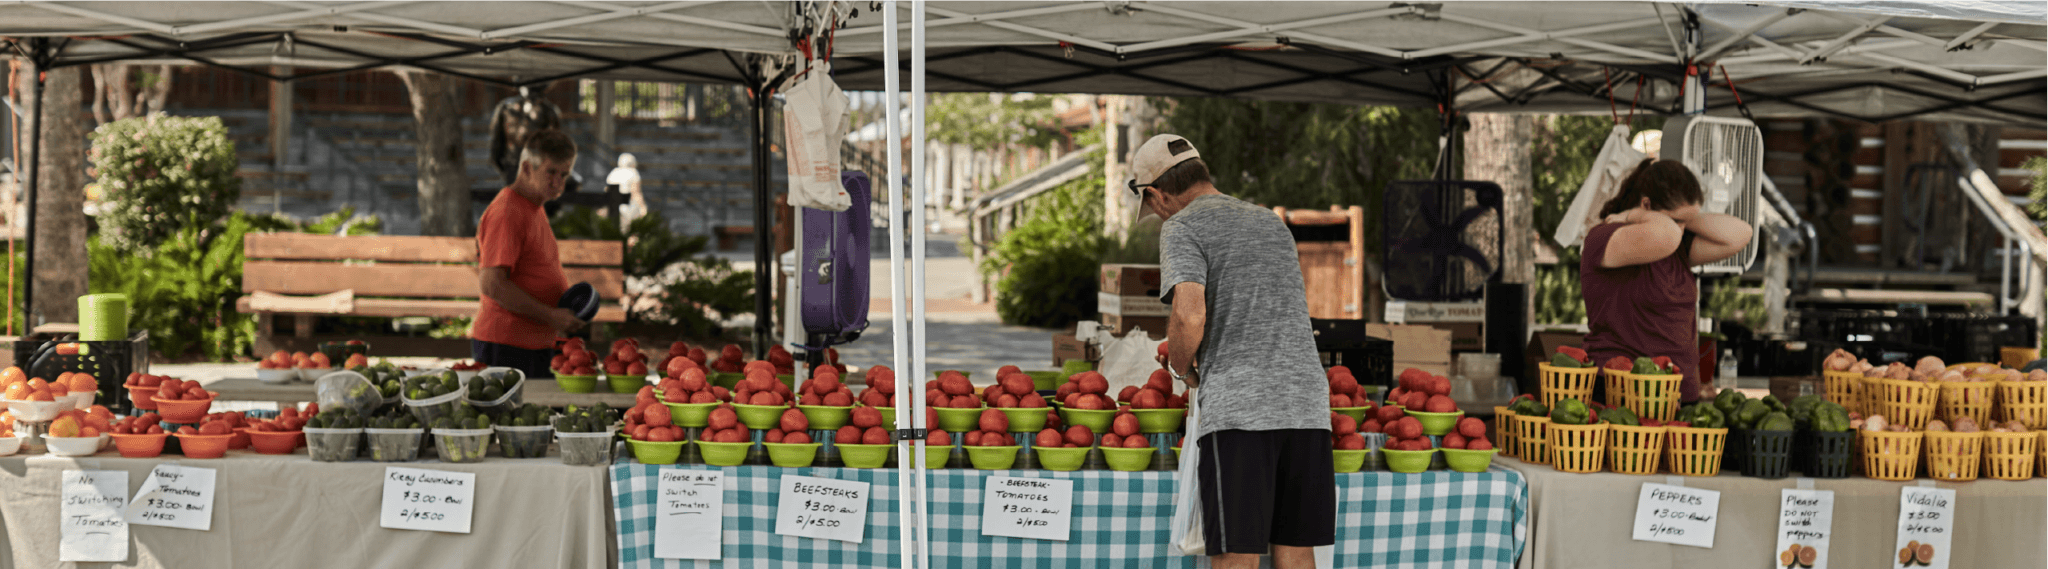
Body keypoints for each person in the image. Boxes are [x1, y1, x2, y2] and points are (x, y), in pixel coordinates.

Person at [1137, 134, 1333, 569]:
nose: (1156, 214)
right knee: (1297, 552)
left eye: (1150, 206)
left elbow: (1189, 317)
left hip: (1243, 410)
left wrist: (1180, 366)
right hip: (1306, 403)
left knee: (1235, 554)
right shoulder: (1270, 221)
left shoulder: (1182, 226)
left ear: (1156, 193)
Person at [1580, 159, 1754, 403]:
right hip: (1623, 392)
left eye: (1686, 222)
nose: (1681, 229)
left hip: (1680, 394)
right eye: (1676, 220)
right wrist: (1637, 215)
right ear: (1646, 203)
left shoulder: (1678, 246)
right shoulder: (1606, 236)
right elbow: (1667, 235)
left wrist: (1686, 216)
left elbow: (1741, 234)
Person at [474, 129, 586, 379]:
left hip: (534, 344)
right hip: (507, 346)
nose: (558, 182)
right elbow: (492, 285)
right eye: (551, 172)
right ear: (526, 168)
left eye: (564, 174)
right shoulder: (508, 211)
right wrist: (551, 316)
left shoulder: (533, 206)